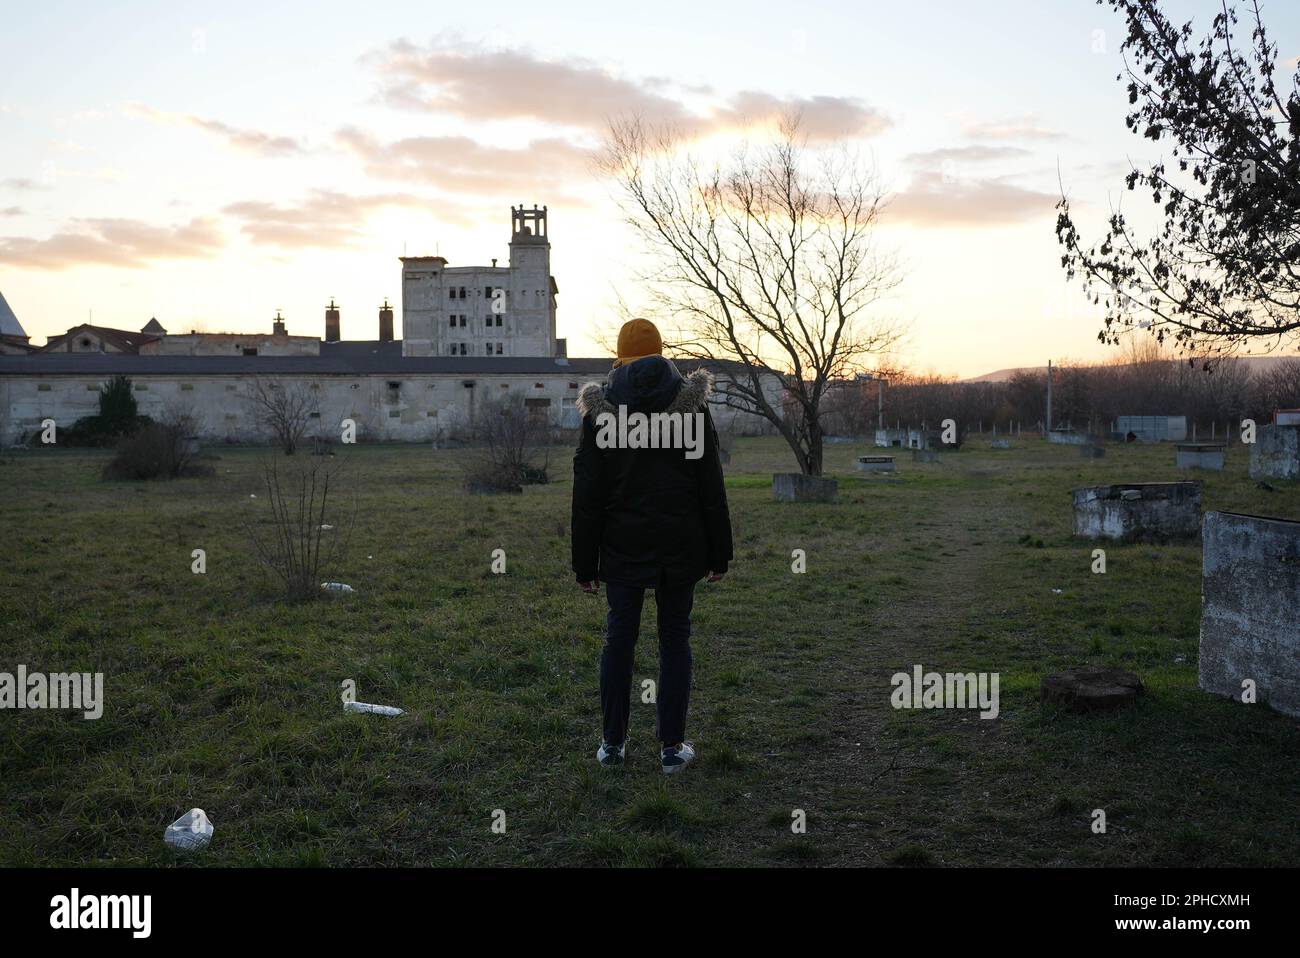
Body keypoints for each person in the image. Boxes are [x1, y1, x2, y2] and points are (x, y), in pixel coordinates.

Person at [571, 318, 733, 774]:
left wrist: (585, 564)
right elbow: (710, 485)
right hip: (681, 546)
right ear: (662, 355)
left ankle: (612, 745)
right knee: (674, 639)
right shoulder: (693, 409)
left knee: (619, 640)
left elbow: (587, 494)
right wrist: (719, 553)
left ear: (619, 359)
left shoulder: (602, 413)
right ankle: (671, 749)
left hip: (621, 546)